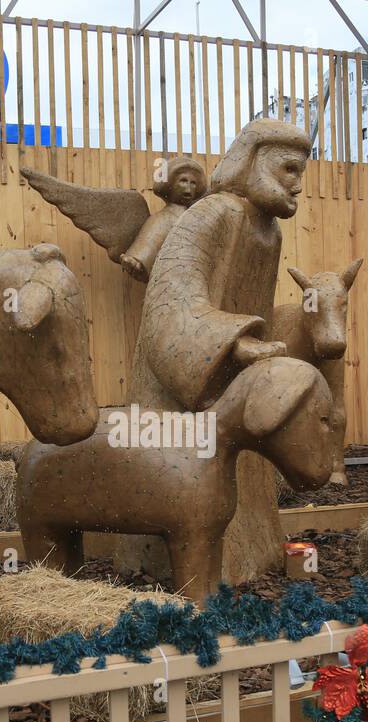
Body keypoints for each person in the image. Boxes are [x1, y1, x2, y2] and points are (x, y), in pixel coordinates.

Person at [121, 119, 312, 583]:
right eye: (288, 169)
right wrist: (231, 341)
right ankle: (179, 572)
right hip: (185, 381)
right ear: (256, 161)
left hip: (231, 380)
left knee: (238, 471)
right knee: (183, 477)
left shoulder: (269, 232)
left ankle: (249, 556)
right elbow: (173, 293)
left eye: (300, 172)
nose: (297, 184)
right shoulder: (216, 212)